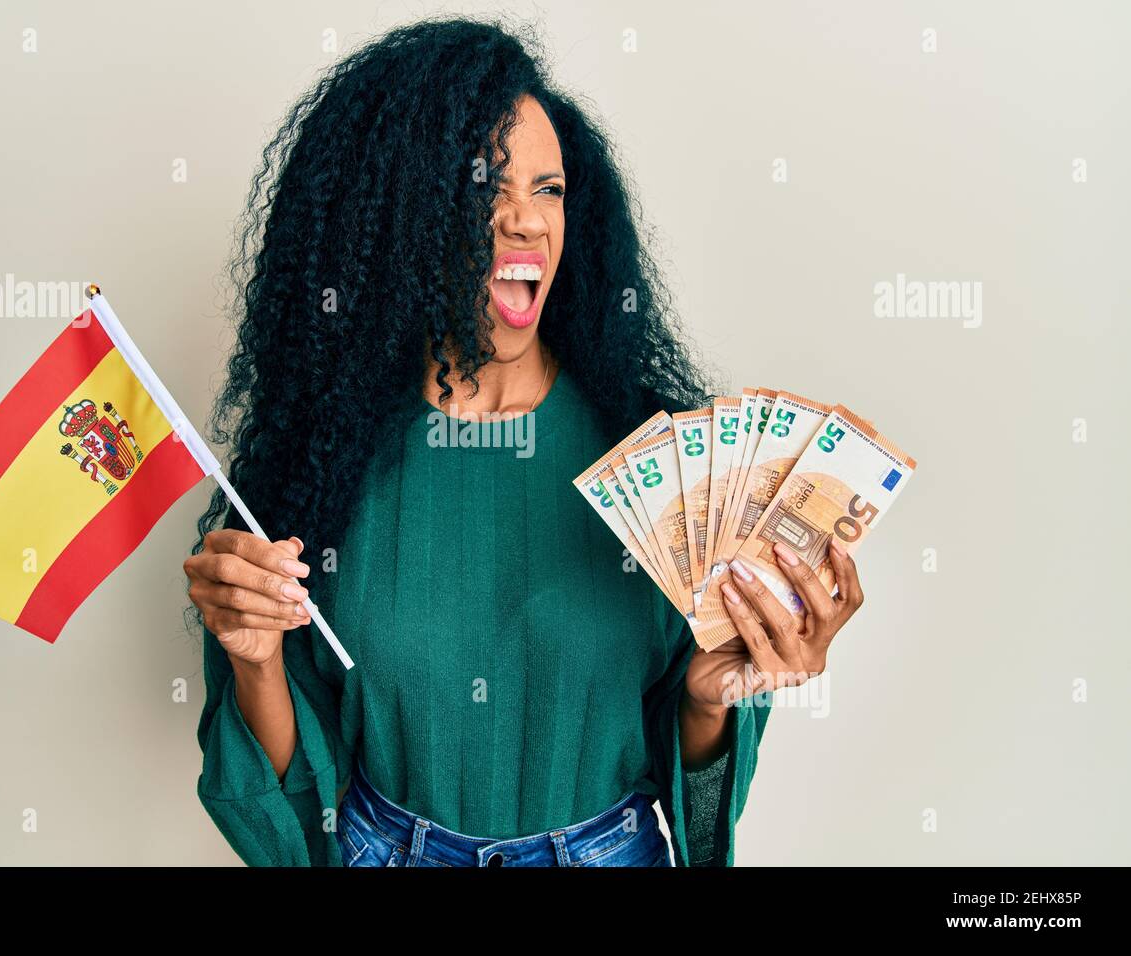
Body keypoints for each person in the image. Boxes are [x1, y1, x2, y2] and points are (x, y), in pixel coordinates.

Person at [184, 18, 865, 867]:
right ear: (396, 216)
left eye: (549, 189)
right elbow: (295, 836)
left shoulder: (658, 461)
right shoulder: (322, 467)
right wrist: (253, 661)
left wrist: (707, 700)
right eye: (482, 188)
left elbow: (696, 793)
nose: (526, 221)